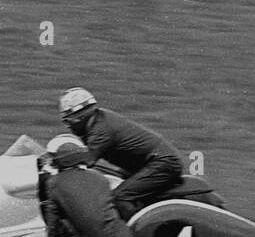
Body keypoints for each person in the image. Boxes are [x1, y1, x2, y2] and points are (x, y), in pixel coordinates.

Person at [58, 87, 184, 221]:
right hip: (151, 162)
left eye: (68, 121)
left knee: (120, 197)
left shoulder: (101, 131)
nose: (69, 126)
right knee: (114, 181)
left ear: (80, 117)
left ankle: (135, 236)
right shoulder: (99, 120)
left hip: (162, 163)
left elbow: (86, 161)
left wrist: (54, 163)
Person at [38, 134, 135, 237]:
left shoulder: (54, 184)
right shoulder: (100, 177)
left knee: (63, 225)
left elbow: (53, 231)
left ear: (61, 159)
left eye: (53, 156)